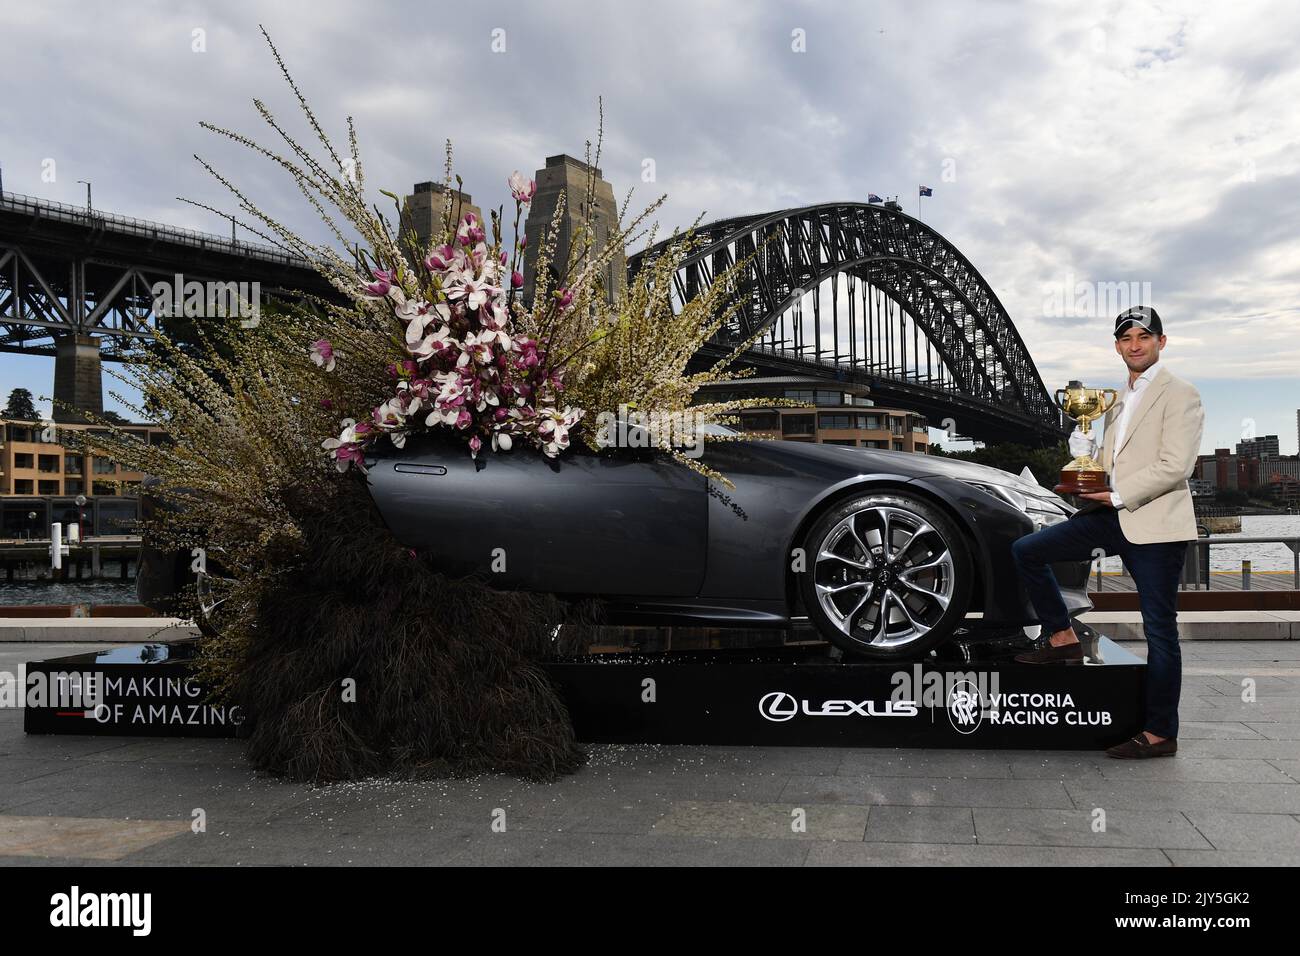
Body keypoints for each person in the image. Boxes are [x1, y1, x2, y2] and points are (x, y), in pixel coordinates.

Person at [1011, 305, 1204, 759]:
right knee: (1028, 551)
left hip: (1154, 523)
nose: (1134, 345)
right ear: (1117, 346)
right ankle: (1062, 639)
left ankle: (1160, 733)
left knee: (1160, 630)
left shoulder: (1182, 394)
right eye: (1125, 339)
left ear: (1161, 341)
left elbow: (1176, 466)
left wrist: (1116, 493)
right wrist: (1085, 449)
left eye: (1143, 336)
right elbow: (1113, 460)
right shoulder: (1116, 398)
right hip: (1110, 516)